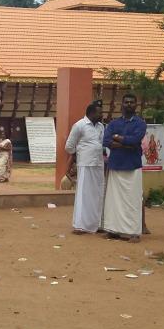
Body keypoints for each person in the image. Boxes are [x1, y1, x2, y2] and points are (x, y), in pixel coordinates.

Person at [102, 94, 147, 243]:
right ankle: (113, 230)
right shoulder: (114, 123)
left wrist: (119, 139)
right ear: (122, 104)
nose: (128, 104)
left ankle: (134, 233)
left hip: (132, 166)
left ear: (136, 105)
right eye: (126, 102)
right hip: (116, 165)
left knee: (133, 200)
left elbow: (135, 140)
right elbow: (106, 140)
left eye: (131, 102)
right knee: (113, 201)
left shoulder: (140, 123)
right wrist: (126, 143)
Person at [65, 101, 106, 235]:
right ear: (91, 113)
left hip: (98, 164)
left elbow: (102, 143)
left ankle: (96, 224)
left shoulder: (101, 127)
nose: (102, 115)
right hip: (85, 164)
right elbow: (69, 146)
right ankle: (80, 225)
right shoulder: (79, 125)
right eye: (99, 112)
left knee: (98, 194)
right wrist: (80, 153)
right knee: (84, 194)